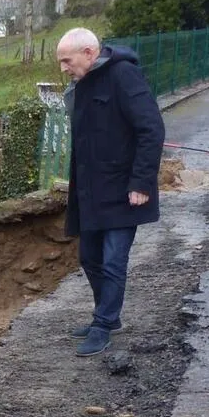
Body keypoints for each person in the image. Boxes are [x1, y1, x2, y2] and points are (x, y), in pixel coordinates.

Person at [56, 28, 165, 357]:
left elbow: (152, 128)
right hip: (91, 191)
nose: (63, 67)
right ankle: (108, 315)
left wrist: (142, 182)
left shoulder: (123, 76)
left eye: (66, 60)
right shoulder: (83, 83)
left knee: (113, 259)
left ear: (89, 53)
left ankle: (103, 324)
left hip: (122, 189)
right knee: (89, 257)